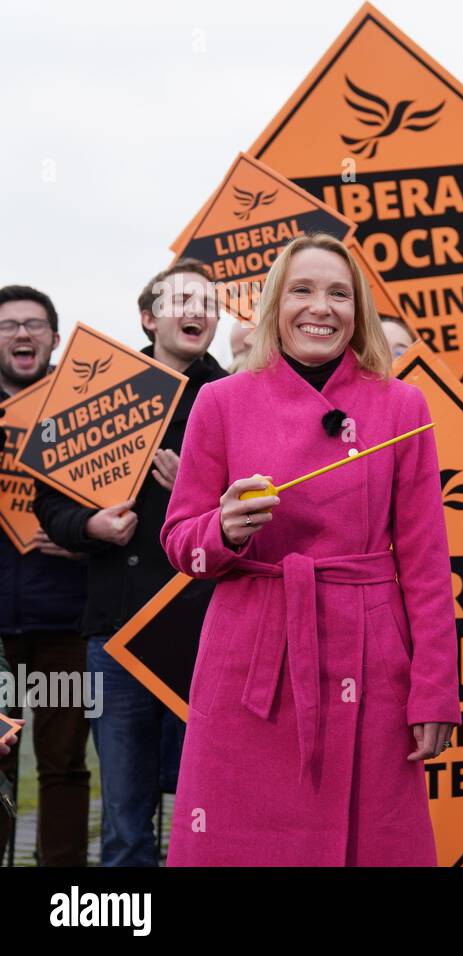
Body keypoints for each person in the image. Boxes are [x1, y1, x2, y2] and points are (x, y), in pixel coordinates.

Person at [159, 234, 459, 866]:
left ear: (358, 311)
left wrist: (434, 690)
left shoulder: (402, 405)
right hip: (250, 656)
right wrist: (224, 530)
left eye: (338, 294)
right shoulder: (221, 401)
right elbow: (181, 543)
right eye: (302, 290)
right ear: (275, 303)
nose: (320, 307)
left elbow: (427, 566)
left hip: (369, 658)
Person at [34, 261, 227, 866]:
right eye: (181, 301)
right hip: (116, 632)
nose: (197, 312)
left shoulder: (237, 396)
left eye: (208, 303)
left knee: (215, 807)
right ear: (148, 318)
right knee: (123, 816)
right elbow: (50, 503)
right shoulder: (97, 392)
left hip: (209, 632)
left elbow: (265, 507)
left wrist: (194, 491)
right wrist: (88, 527)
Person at [0, 285, 91, 866]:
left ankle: (66, 887)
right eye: (8, 325)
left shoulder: (87, 412)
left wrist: (83, 538)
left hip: (68, 624)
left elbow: (124, 508)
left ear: (55, 339)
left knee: (64, 765)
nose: (22, 334)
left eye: (34, 325)